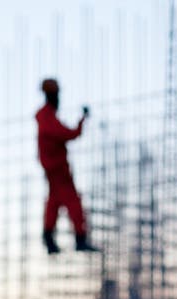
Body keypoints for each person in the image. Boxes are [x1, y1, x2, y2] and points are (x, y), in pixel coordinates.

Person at [36, 78, 98, 254]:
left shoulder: (46, 117)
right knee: (72, 202)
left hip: (54, 170)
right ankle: (79, 238)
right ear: (53, 95)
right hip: (58, 170)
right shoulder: (46, 118)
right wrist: (81, 123)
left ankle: (49, 238)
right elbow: (66, 134)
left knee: (54, 203)